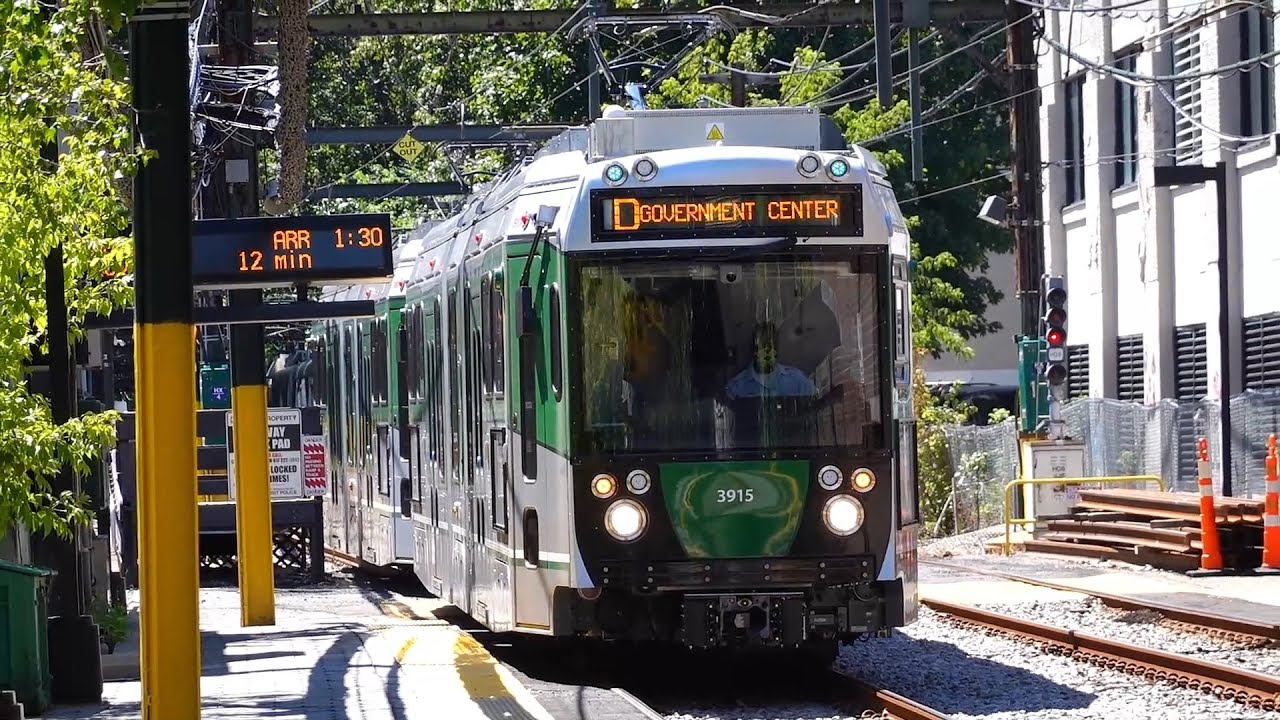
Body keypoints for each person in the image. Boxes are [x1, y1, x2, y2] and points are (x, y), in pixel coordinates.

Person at [725, 321, 817, 399]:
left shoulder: (797, 380)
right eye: (763, 347)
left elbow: (816, 406)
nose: (767, 353)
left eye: (771, 347)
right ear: (754, 350)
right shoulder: (736, 387)